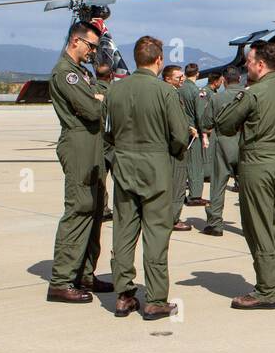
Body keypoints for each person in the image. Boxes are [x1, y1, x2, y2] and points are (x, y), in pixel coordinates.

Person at [107, 36, 190, 320]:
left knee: (124, 231)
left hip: (124, 168)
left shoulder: (115, 91)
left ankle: (123, 296)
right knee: (156, 233)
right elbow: (179, 135)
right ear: (159, 60)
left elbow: (108, 134)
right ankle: (154, 300)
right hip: (156, 169)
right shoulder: (165, 92)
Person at [215, 41, 275, 309]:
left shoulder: (253, 93)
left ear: (260, 65)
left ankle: (266, 290)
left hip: (258, 165)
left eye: (248, 61)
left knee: (257, 228)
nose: (246, 66)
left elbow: (224, 124)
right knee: (273, 228)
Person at [45, 21, 110, 303]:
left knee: (95, 211)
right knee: (79, 209)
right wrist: (97, 99)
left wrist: (99, 94)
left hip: (93, 145)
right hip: (79, 144)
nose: (92, 52)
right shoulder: (65, 74)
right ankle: (61, 281)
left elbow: (100, 97)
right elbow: (91, 108)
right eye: (90, 46)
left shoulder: (82, 73)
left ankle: (85, 273)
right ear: (75, 41)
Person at [201, 69, 240, 236]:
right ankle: (252, 224)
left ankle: (215, 223)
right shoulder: (251, 97)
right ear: (239, 79)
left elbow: (206, 123)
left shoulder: (217, 98)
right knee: (249, 188)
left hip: (222, 143)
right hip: (245, 144)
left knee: (218, 184)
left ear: (224, 80)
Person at [162, 65, 197, 230]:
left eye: (182, 76)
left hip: (167, 146)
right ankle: (173, 218)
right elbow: (175, 124)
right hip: (176, 148)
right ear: (168, 79)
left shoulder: (167, 92)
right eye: (178, 77)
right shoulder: (171, 94)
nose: (182, 79)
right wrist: (182, 144)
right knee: (178, 184)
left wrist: (189, 127)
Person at [181, 63, 210, 207]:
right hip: (194, 132)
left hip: (182, 129)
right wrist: (204, 132)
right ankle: (195, 195)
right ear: (197, 74)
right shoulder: (196, 91)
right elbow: (200, 114)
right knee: (196, 164)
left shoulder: (180, 89)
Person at [95, 62, 115, 222]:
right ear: (111, 76)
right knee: (122, 179)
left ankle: (101, 209)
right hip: (113, 142)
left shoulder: (88, 91)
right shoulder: (114, 93)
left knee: (100, 179)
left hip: (96, 142)